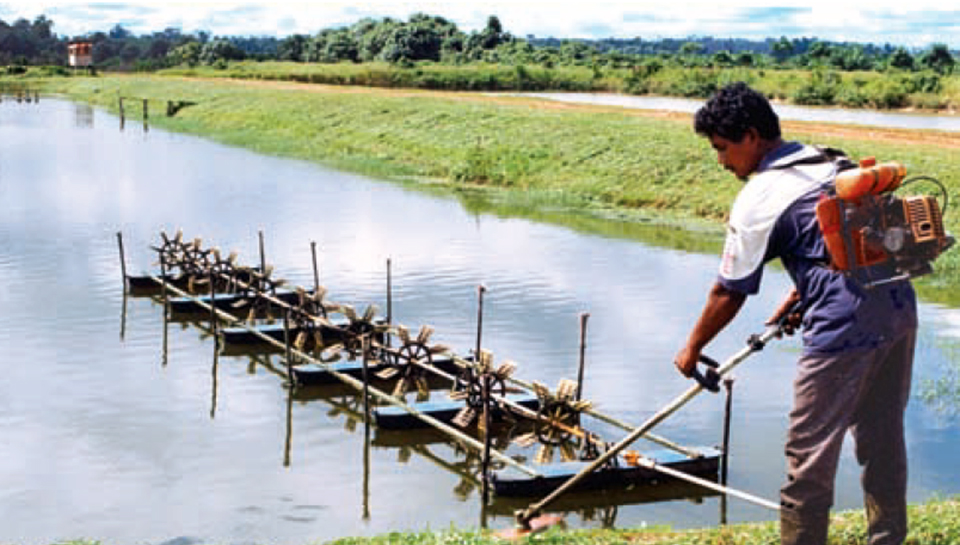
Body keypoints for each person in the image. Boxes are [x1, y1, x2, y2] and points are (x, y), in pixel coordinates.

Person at [674, 82, 917, 545]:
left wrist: (692, 349)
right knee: (883, 440)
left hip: (843, 329)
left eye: (722, 149)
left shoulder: (760, 195)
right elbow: (831, 244)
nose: (721, 162)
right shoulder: (827, 159)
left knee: (808, 457)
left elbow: (728, 291)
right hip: (899, 307)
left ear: (750, 136)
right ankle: (887, 538)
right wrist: (803, 291)